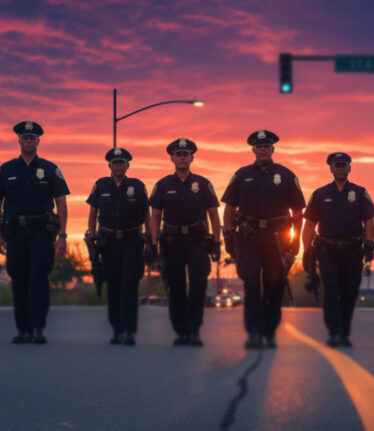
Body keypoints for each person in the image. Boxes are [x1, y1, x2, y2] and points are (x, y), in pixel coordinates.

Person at [221, 130, 306, 349]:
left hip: (278, 238)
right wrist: (228, 235)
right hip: (249, 238)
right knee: (251, 282)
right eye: (259, 147)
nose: (263, 150)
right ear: (253, 150)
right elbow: (229, 208)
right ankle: (254, 332)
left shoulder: (286, 175)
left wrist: (295, 242)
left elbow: (297, 212)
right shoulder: (241, 175)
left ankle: (269, 330)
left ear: (272, 149)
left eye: (266, 146)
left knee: (274, 284)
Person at [0, 121, 69, 345]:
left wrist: (62, 236)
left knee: (38, 278)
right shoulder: (6, 169)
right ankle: (23, 329)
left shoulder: (51, 169)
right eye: (25, 137)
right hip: (15, 233)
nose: (29, 141)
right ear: (19, 140)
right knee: (19, 280)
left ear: (38, 141)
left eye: (32, 137)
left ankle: (38, 328)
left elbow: (61, 204)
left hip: (42, 232)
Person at [148, 138, 221, 347]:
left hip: (198, 241)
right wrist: (153, 245)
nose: (182, 158)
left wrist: (216, 243)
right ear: (172, 158)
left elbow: (214, 216)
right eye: (178, 154)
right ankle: (181, 331)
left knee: (198, 284)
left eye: (185, 154)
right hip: (172, 242)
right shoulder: (162, 185)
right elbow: (155, 216)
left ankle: (194, 329)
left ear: (192, 158)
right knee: (176, 287)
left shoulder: (204, 184)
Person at [301, 152, 374, 348]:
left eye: (344, 165)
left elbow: (369, 220)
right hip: (327, 250)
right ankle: (335, 332)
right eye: (337, 165)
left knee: (350, 291)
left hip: (353, 250)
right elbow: (309, 225)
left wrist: (369, 243)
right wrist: (307, 250)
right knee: (331, 289)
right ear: (331, 168)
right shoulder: (320, 194)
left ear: (350, 168)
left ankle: (344, 330)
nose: (341, 168)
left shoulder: (360, 193)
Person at [87, 147, 149, 346]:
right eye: (115, 163)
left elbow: (147, 215)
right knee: (113, 286)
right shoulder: (101, 185)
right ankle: (116, 329)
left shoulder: (137, 186)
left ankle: (130, 330)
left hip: (132, 242)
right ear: (109, 166)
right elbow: (93, 213)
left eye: (122, 162)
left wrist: (151, 240)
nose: (119, 165)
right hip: (109, 243)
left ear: (128, 165)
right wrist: (93, 237)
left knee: (130, 285)